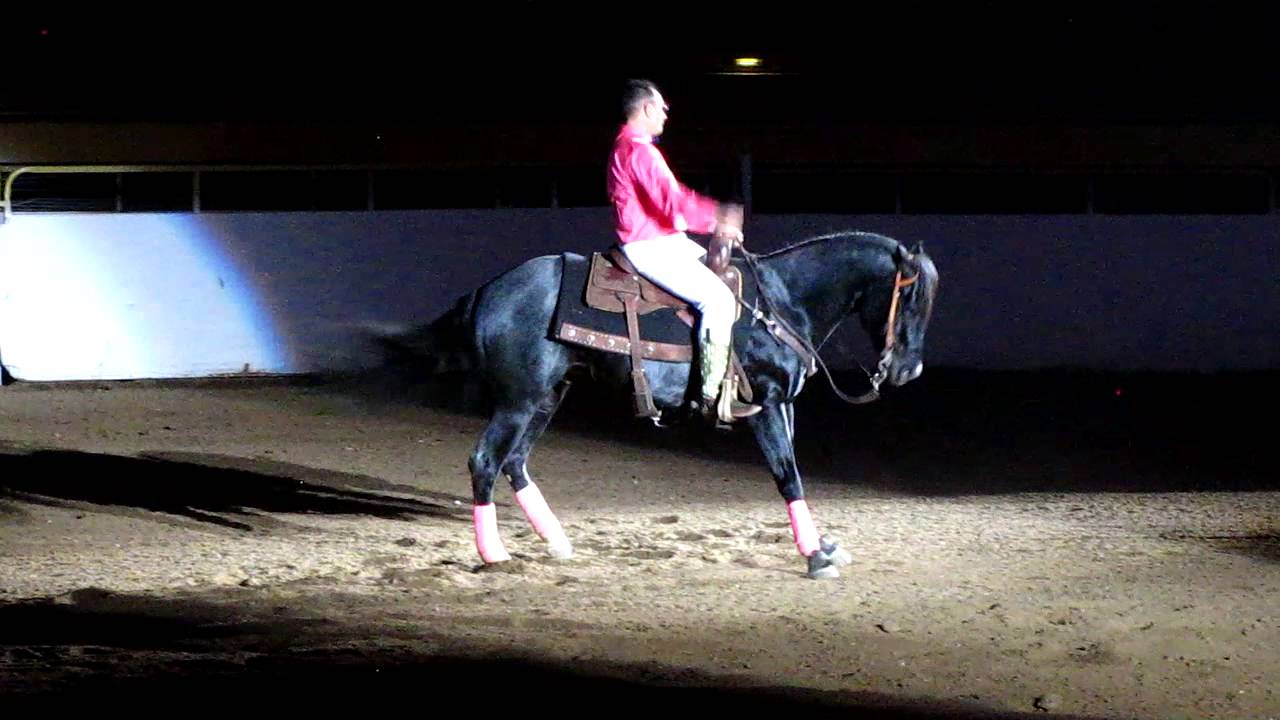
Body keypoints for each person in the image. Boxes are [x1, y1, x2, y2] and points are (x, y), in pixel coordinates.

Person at [606, 79, 762, 424]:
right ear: (645, 108)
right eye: (661, 106)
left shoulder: (628, 146)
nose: (665, 112)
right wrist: (717, 219)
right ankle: (712, 396)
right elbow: (672, 201)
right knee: (718, 299)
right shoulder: (640, 151)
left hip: (662, 239)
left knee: (730, 277)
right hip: (650, 245)